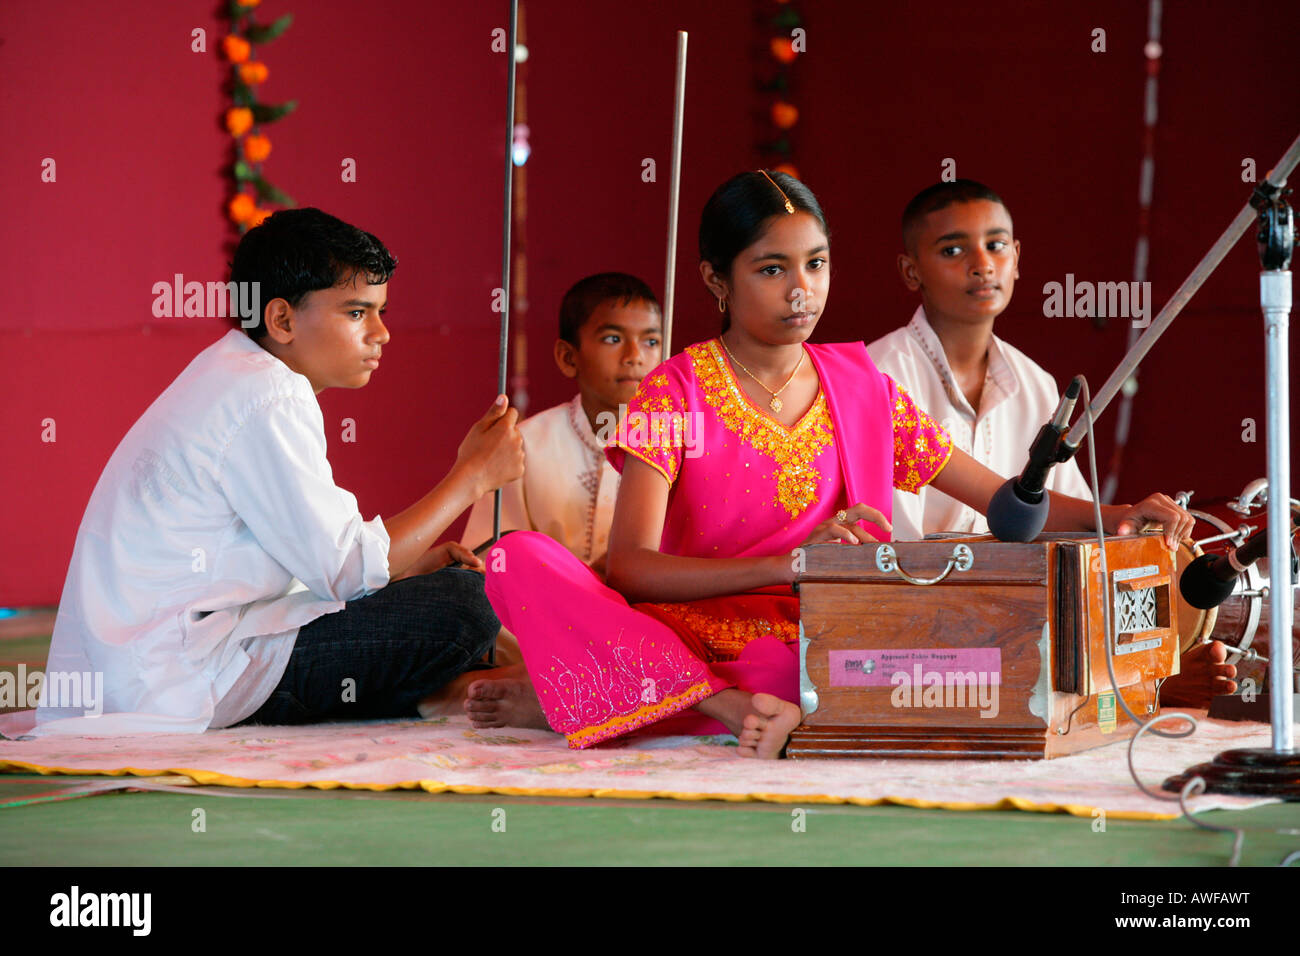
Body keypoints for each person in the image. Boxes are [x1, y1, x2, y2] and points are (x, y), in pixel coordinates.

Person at [463, 171, 1193, 758]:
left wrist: (1116, 516)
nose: (801, 289)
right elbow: (630, 567)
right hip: (688, 636)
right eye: (772, 269)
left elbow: (1002, 500)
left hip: (829, 639)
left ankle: (591, 694)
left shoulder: (862, 386)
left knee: (947, 665)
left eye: (816, 264)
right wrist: (789, 565)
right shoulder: (675, 389)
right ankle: (719, 708)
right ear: (717, 281)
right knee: (516, 561)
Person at [1, 208, 524, 737]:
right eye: (357, 313)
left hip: (158, 665)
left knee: (446, 587)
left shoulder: (238, 374)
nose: (382, 334)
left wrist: (402, 571)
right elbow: (343, 568)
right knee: (466, 604)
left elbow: (305, 562)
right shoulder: (266, 394)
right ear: (281, 320)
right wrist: (472, 476)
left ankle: (428, 692)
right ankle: (438, 692)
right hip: (184, 675)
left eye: (381, 311)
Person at [868, 179, 1235, 706]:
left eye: (996, 245)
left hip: (1020, 630)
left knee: (1094, 572)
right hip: (914, 629)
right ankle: (1147, 691)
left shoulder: (1037, 383)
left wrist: (1122, 517)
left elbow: (1065, 535)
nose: (981, 263)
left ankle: (1146, 682)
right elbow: (892, 560)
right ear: (910, 270)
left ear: (1017, 258)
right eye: (953, 250)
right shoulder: (880, 378)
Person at [461, 273, 662, 573]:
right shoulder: (522, 447)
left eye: (650, 341)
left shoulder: (682, 445)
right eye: (613, 339)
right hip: (541, 615)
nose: (635, 356)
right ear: (568, 357)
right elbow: (486, 564)